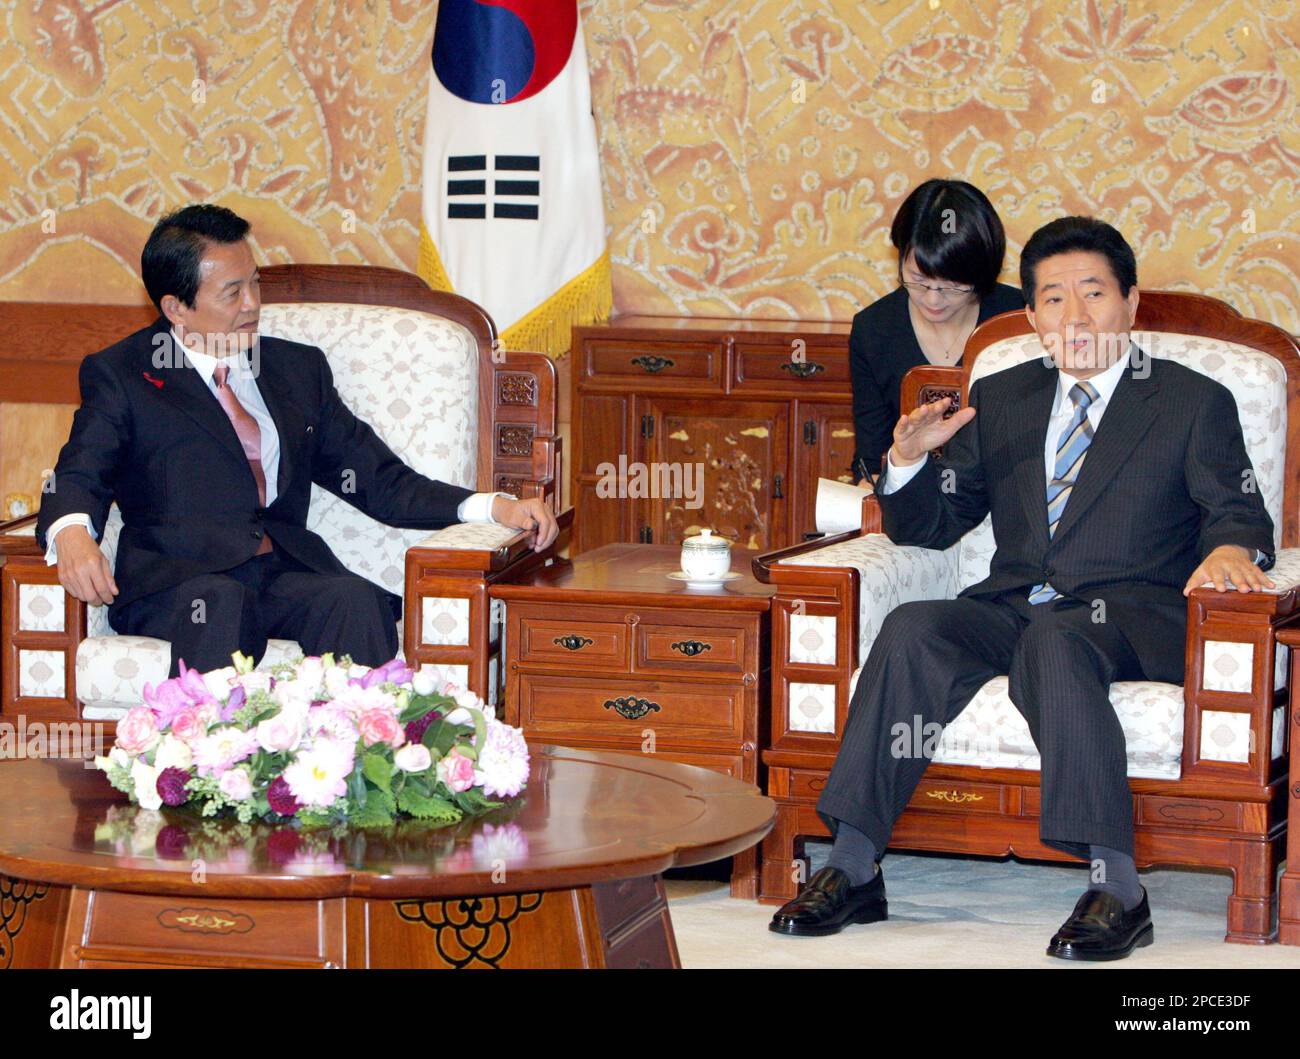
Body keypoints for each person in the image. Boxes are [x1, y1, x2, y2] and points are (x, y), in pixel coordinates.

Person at [770, 216, 1275, 960]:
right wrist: (905, 462)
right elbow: (935, 526)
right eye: (1054, 299)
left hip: (1132, 614)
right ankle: (852, 861)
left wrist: (1230, 548)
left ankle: (1118, 886)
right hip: (1014, 603)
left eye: (1093, 293)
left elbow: (1239, 512)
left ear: (1130, 302)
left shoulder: (1190, 400)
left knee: (1058, 640)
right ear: (1034, 315)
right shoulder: (1003, 395)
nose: (1075, 316)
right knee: (914, 627)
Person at [37, 204, 558, 675]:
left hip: (278, 569)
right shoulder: (125, 375)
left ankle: (357, 768)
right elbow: (81, 469)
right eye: (231, 292)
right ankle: (209, 775)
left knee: (352, 600)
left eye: (255, 283)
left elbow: (380, 482)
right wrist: (71, 533)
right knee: (221, 604)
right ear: (175, 308)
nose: (252, 304)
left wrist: (494, 507)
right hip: (179, 585)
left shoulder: (295, 371)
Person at [850, 179, 1024, 486]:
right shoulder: (874, 329)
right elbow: (871, 456)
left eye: (952, 285)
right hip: (915, 501)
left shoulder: (1018, 320)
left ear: (984, 273)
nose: (933, 299)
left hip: (1007, 497)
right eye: (918, 279)